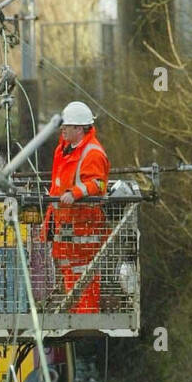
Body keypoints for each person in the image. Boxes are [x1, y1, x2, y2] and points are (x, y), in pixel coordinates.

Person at [42, 101, 109, 313]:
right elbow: (58, 184)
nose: (62, 130)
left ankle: (86, 313)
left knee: (84, 271)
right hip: (64, 223)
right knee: (68, 268)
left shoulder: (93, 153)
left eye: (66, 127)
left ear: (79, 129)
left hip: (84, 226)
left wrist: (76, 193)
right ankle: (76, 311)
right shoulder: (62, 150)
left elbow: (98, 183)